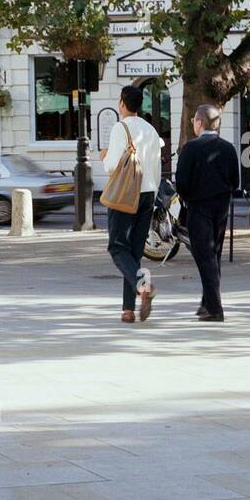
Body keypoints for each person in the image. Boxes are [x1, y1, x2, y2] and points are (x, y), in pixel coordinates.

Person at [101, 85, 164, 323]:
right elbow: (157, 167)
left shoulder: (121, 127)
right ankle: (128, 309)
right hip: (148, 192)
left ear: (122, 104)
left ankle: (142, 286)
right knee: (134, 251)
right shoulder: (150, 129)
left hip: (127, 194)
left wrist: (103, 156)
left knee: (117, 247)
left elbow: (112, 166)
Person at [175, 104, 239, 322]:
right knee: (214, 256)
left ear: (199, 123)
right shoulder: (229, 148)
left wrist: (188, 197)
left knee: (205, 257)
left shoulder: (190, 148)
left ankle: (215, 308)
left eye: (194, 119)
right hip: (221, 207)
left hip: (198, 206)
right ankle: (207, 302)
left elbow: (181, 183)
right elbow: (236, 181)